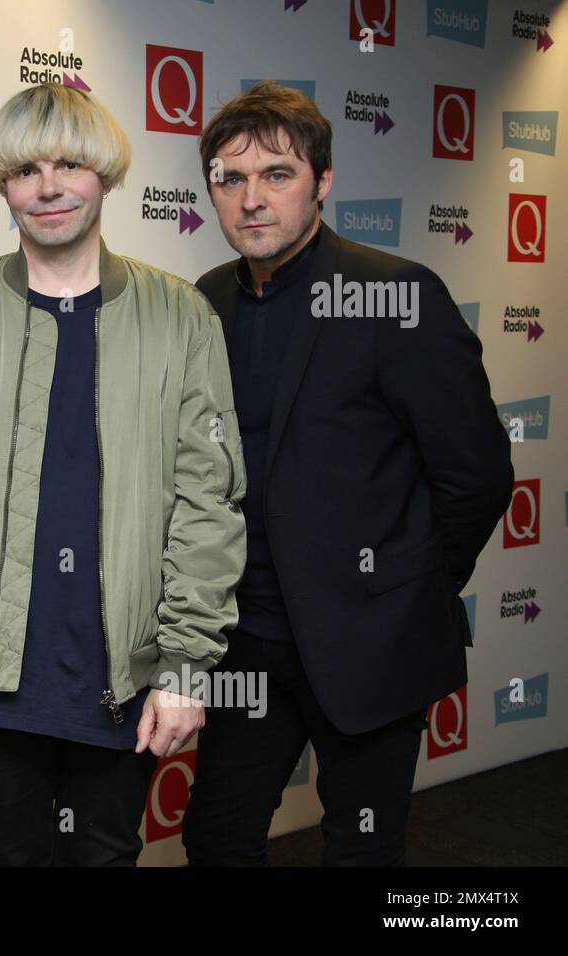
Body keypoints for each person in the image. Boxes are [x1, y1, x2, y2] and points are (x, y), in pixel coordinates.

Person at [0, 84, 246, 866]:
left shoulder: (182, 317)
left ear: (104, 176)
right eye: (25, 170)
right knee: (4, 853)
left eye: (70, 164)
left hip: (125, 674)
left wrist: (184, 667)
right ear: (2, 185)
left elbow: (207, 507)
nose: (47, 187)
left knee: (106, 855)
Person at [182, 80, 513, 866]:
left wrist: (402, 588)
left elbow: (477, 476)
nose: (251, 199)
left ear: (323, 182)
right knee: (217, 838)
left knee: (361, 850)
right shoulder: (206, 304)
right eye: (230, 180)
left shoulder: (395, 294)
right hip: (246, 641)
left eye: (277, 175)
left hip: (373, 642)